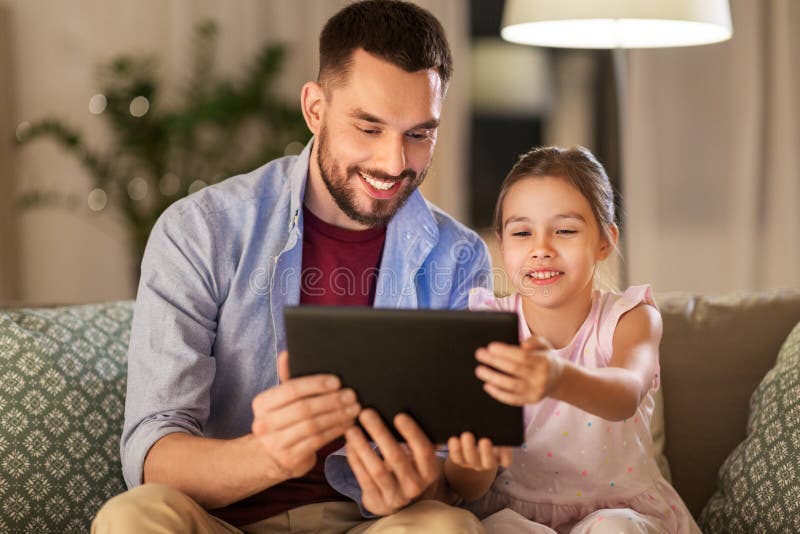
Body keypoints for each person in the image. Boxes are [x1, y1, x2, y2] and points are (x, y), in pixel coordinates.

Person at [92, 1, 491, 532]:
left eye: (418, 134)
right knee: (131, 518)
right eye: (369, 128)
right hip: (223, 523)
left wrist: (427, 486)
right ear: (315, 109)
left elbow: (463, 476)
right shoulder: (199, 230)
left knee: (448, 527)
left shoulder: (459, 257)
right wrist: (271, 456)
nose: (395, 164)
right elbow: (153, 452)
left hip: (372, 525)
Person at [443, 146, 700, 533]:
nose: (541, 248)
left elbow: (626, 393)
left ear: (605, 241)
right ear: (502, 243)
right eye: (522, 232)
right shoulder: (483, 325)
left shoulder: (630, 318)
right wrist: (472, 462)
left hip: (620, 514)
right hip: (517, 515)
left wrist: (557, 378)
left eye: (564, 230)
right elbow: (466, 484)